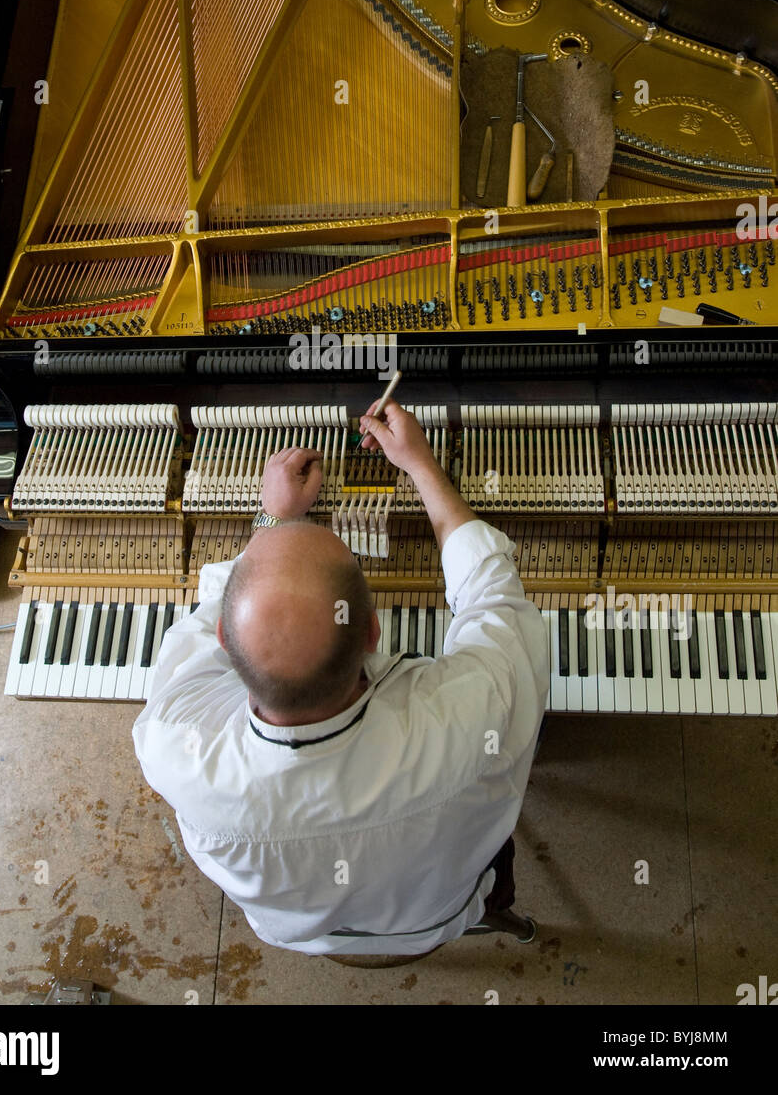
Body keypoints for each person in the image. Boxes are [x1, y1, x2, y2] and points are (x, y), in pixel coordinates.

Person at [132, 398, 549, 963]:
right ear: (375, 633)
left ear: (225, 647)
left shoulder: (171, 746)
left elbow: (214, 614)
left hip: (304, 933)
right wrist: (423, 467)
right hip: (440, 915)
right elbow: (493, 598)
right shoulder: (470, 716)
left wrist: (272, 521)